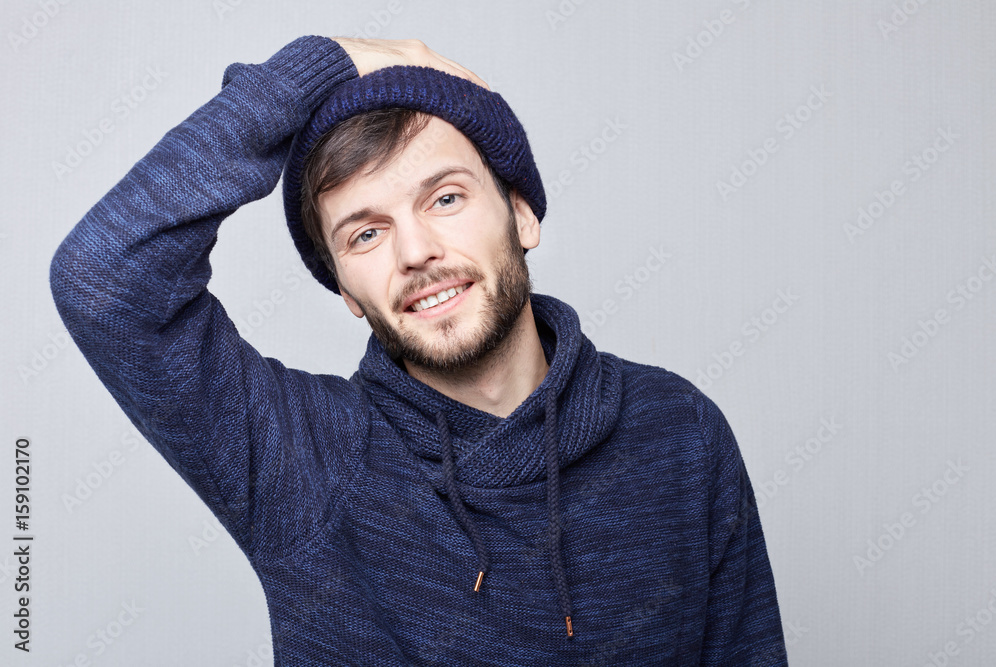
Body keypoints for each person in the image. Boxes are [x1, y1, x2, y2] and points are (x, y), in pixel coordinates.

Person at [50, 35, 787, 666]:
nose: (417, 252)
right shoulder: (304, 458)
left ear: (522, 212)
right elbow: (102, 276)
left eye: (445, 198)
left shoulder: (678, 430)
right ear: (343, 287)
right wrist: (320, 62)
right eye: (364, 233)